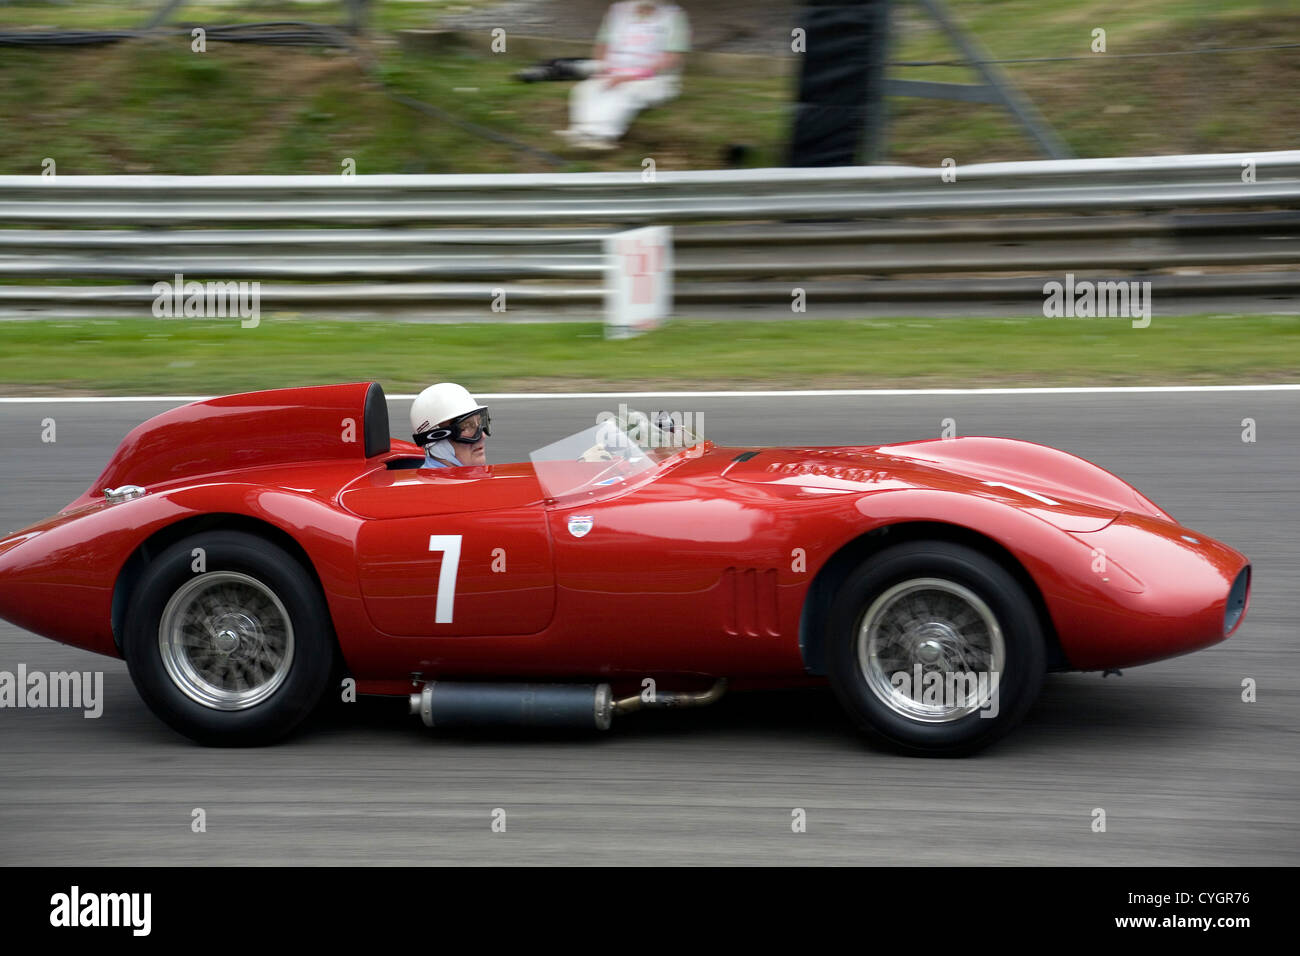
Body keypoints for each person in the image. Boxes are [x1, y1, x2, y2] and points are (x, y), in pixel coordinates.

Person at [556, 1, 691, 150]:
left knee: (625, 93)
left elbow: (672, 58)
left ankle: (602, 136)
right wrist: (602, 68)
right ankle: (581, 132)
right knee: (585, 89)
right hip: (615, 72)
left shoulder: (674, 16)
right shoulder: (617, 11)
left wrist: (630, 76)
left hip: (655, 77)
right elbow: (602, 45)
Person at [409, 383, 490, 468]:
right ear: (434, 438)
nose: (483, 436)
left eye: (480, 422)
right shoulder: (436, 481)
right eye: (466, 427)